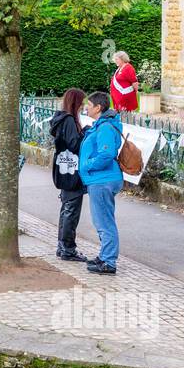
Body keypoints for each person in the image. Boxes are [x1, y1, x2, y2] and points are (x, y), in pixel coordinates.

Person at [78, 91, 124, 275]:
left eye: (89, 105)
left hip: (102, 180)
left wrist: (88, 165)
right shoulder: (101, 125)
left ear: (98, 107)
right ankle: (105, 256)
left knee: (104, 221)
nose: (86, 107)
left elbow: (106, 153)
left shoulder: (104, 127)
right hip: (101, 179)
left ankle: (109, 262)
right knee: (102, 220)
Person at [49, 88, 89, 263]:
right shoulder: (69, 120)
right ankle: (68, 248)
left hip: (64, 167)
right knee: (71, 210)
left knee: (66, 208)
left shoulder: (61, 119)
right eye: (81, 102)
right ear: (76, 102)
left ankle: (62, 246)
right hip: (71, 170)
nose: (83, 105)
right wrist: (86, 133)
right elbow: (74, 144)